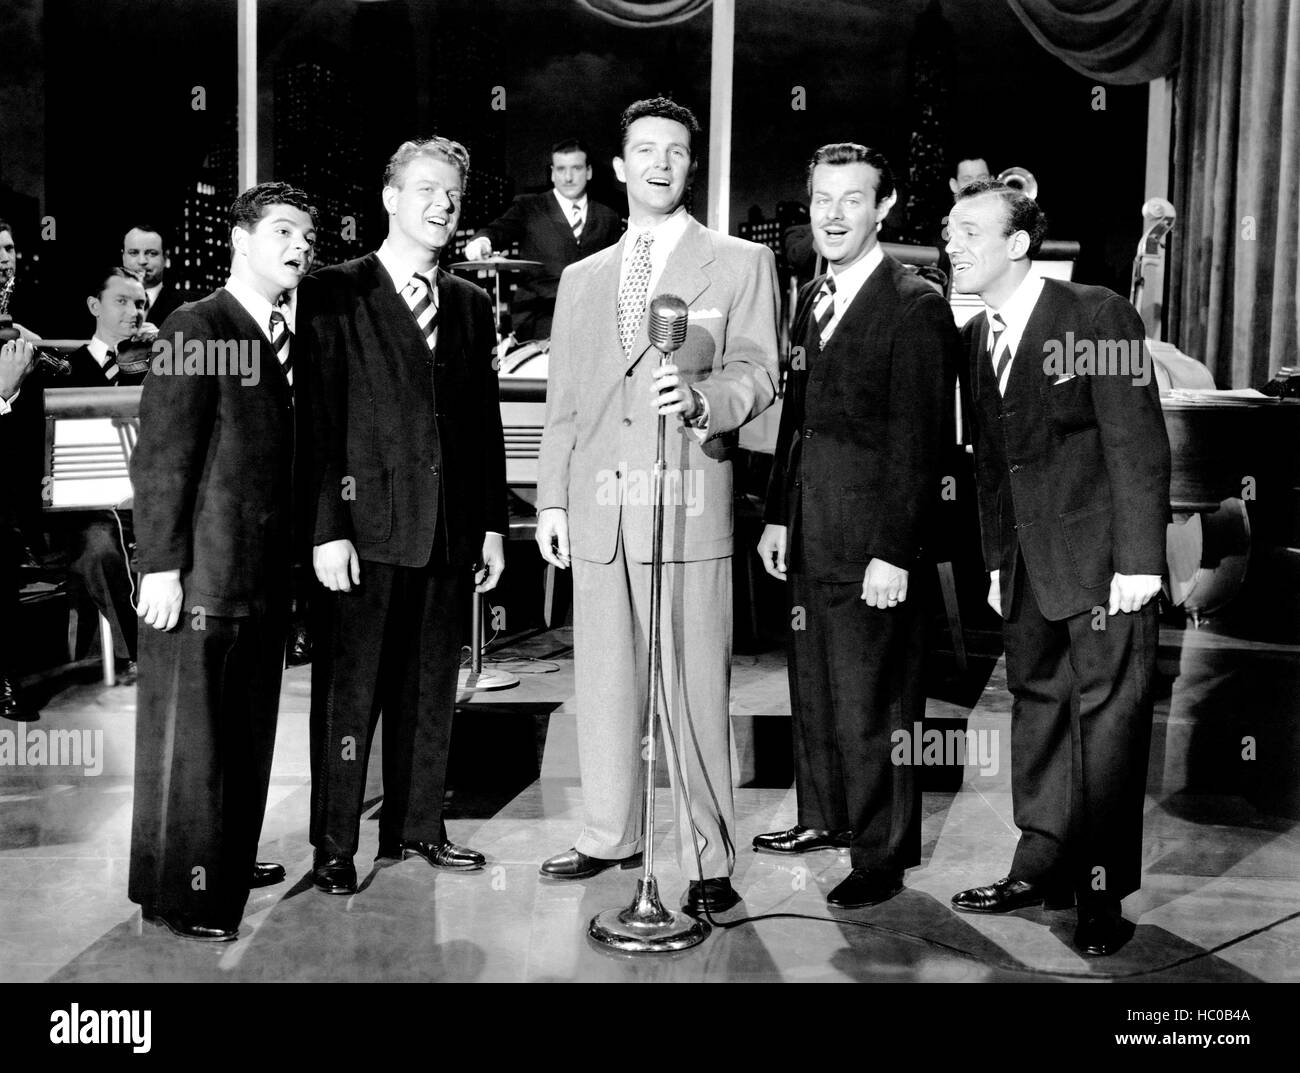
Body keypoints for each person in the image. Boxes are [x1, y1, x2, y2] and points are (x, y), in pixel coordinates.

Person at [535, 97, 780, 916]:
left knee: (694, 689)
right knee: (602, 683)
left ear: (691, 164)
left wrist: (708, 399)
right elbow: (565, 401)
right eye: (644, 149)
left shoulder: (740, 263)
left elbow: (759, 370)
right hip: (601, 507)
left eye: (675, 151)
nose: (660, 164)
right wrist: (552, 501)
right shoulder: (581, 277)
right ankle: (611, 833)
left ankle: (710, 855)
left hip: (684, 502)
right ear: (619, 165)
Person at [945, 179, 1170, 956]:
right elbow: (990, 467)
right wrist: (996, 560)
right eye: (950, 229)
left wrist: (1140, 561)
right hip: (1027, 567)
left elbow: (1136, 441)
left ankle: (1101, 895)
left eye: (972, 230)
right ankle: (1040, 863)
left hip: (1107, 567)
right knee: (1038, 709)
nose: (953, 243)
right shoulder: (978, 337)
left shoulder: (1094, 313)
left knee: (1107, 724)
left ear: (1018, 243)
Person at [755, 144, 960, 907]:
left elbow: (920, 442)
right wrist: (778, 515)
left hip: (873, 543)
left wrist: (893, 551)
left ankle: (880, 852)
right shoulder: (812, 297)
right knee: (814, 687)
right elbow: (797, 424)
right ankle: (824, 816)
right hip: (810, 531)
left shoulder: (915, 302)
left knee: (876, 700)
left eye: (852, 199)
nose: (833, 215)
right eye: (821, 199)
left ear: (884, 207)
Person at [305, 137, 506, 896]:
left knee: (431, 688)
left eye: (451, 194)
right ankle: (334, 843)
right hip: (363, 531)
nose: (440, 205)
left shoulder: (470, 303)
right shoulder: (336, 291)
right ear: (389, 197)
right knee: (351, 693)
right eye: (424, 189)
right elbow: (319, 423)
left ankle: (419, 823)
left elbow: (481, 421)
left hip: (450, 531)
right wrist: (327, 526)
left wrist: (490, 522)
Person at [128, 181, 317, 941]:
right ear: (240, 241)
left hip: (260, 580)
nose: (299, 246)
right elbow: (163, 460)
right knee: (192, 743)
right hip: (201, 578)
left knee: (244, 733)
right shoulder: (196, 323)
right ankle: (186, 894)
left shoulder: (288, 333)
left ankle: (225, 857)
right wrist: (163, 567)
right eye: (281, 231)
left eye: (307, 235)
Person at [46, 267, 150, 683]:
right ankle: (141, 650)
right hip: (86, 510)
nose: (134, 312)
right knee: (100, 549)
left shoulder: (157, 365)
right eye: (122, 301)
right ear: (95, 306)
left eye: (140, 303)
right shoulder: (60, 370)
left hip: (147, 500)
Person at [464, 137, 622, 340]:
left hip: (592, 318)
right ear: (552, 173)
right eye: (561, 169)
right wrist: (482, 241)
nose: (568, 177)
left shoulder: (608, 216)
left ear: (589, 172)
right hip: (538, 316)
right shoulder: (529, 207)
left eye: (576, 168)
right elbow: (497, 230)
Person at [122, 224, 186, 327]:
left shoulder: (190, 305)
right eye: (133, 253)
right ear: (123, 257)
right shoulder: (102, 304)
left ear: (166, 258)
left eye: (152, 253)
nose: (142, 261)